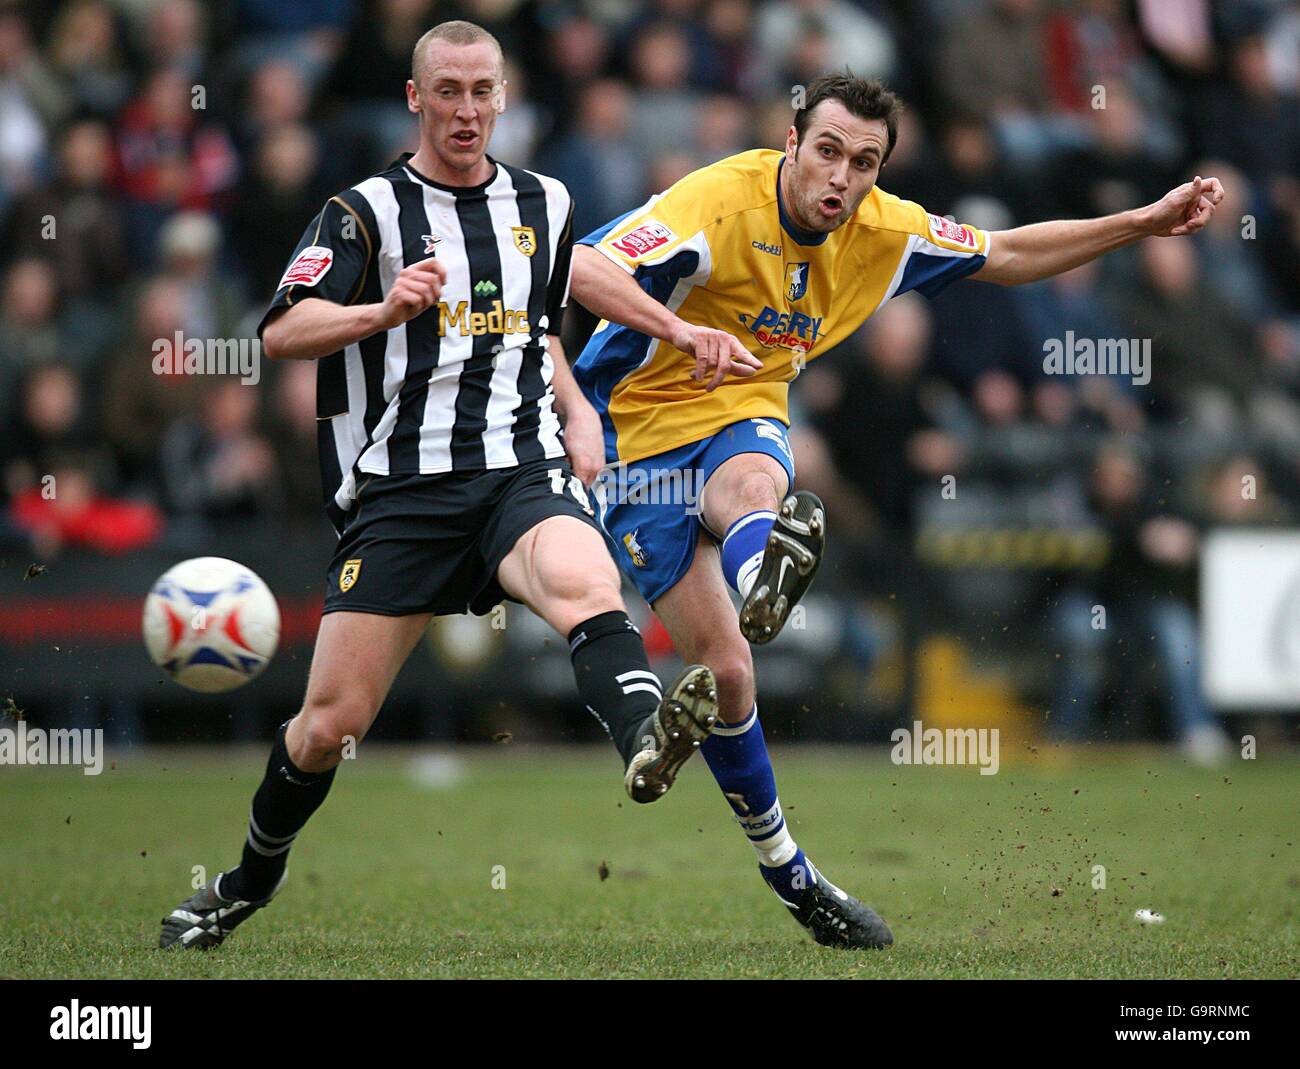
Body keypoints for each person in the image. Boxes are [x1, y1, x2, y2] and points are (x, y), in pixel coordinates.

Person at [568, 72, 1224, 949]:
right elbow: (579, 265)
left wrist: (1140, 222)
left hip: (742, 412)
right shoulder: (718, 201)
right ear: (791, 141)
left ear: (880, 170)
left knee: (755, 482)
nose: (840, 177)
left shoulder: (886, 231)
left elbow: (1009, 254)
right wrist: (681, 331)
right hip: (633, 439)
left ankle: (763, 573)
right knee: (727, 675)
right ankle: (789, 869)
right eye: (827, 151)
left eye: (864, 162)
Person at [159, 21, 719, 951]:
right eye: (448, 91)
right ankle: (248, 878)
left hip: (519, 467)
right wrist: (383, 309)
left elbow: (555, 302)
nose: (467, 110)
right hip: (403, 493)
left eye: (482, 90)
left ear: (504, 97)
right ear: (416, 98)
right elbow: (282, 331)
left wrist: (626, 371)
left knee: (585, 581)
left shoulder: (543, 200)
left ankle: (645, 736)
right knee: (327, 726)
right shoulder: (365, 211)